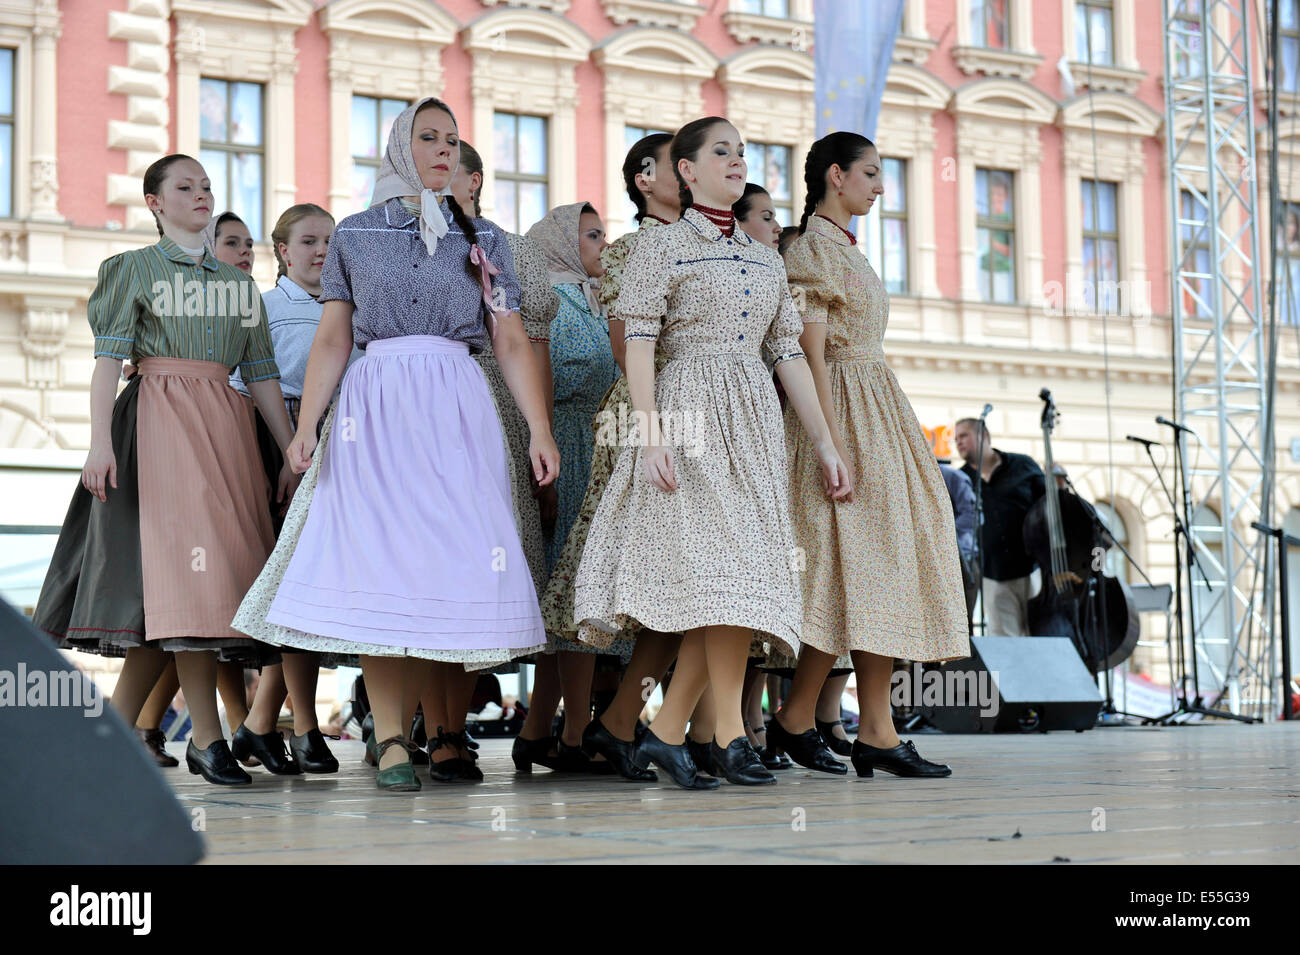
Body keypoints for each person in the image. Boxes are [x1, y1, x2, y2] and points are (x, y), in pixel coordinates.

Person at [232, 97, 558, 792]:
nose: (443, 148)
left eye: (452, 138)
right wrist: (307, 425)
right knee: (380, 560)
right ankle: (387, 740)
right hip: (374, 404)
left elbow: (509, 339)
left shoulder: (486, 238)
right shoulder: (353, 234)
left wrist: (538, 427)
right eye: (428, 136)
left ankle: (442, 730)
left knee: (452, 562)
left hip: (458, 400)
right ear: (397, 146)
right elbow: (332, 337)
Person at [573, 116, 852, 789]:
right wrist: (649, 432)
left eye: (742, 152)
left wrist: (823, 441)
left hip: (751, 418)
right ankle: (709, 733)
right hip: (688, 409)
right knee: (716, 576)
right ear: (687, 171)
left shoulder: (763, 255)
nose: (736, 160)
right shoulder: (662, 247)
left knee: (740, 580)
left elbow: (787, 351)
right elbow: (638, 339)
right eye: (720, 151)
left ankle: (681, 733)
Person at [34, 154, 299, 785]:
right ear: (155, 202)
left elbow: (260, 375)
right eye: (185, 187)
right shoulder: (129, 270)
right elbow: (107, 363)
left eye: (206, 186)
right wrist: (98, 443)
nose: (201, 194)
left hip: (227, 431)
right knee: (188, 586)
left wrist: (292, 451)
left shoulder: (239, 287)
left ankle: (106, 740)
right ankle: (206, 740)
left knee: (193, 593)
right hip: (157, 425)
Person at [771, 132, 968, 781]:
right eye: (873, 173)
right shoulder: (812, 250)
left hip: (874, 408)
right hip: (847, 415)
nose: (881, 187)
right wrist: (831, 440)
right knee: (858, 566)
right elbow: (810, 351)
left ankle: (809, 716)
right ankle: (862, 728)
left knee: (867, 568)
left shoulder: (842, 249)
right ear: (836, 175)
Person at [534, 132, 679, 781]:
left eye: (600, 234)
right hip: (574, 439)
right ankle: (565, 732)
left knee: (601, 594)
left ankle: (566, 727)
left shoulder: (596, 298)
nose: (599, 243)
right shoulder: (557, 302)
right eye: (587, 235)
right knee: (576, 595)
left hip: (607, 435)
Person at [954, 417, 1046, 637]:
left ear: (984, 436)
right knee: (1008, 650)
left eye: (963, 435)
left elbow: (1047, 508)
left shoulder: (1023, 465)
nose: (958, 442)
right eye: (956, 438)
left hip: (1032, 569)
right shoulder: (961, 479)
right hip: (992, 575)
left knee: (1041, 640)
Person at [939, 461, 979, 632]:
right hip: (933, 560)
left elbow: (973, 514)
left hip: (960, 559)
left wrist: (943, 533)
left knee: (961, 625)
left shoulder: (951, 476)